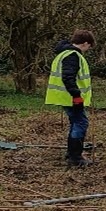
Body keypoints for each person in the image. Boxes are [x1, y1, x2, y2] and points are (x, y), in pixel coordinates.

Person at [45, 30, 95, 168]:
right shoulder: (73, 56)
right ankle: (75, 157)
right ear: (85, 43)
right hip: (71, 98)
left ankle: (71, 153)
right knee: (81, 123)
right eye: (89, 46)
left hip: (66, 97)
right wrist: (77, 96)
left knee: (75, 122)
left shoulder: (64, 53)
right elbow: (68, 78)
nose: (88, 49)